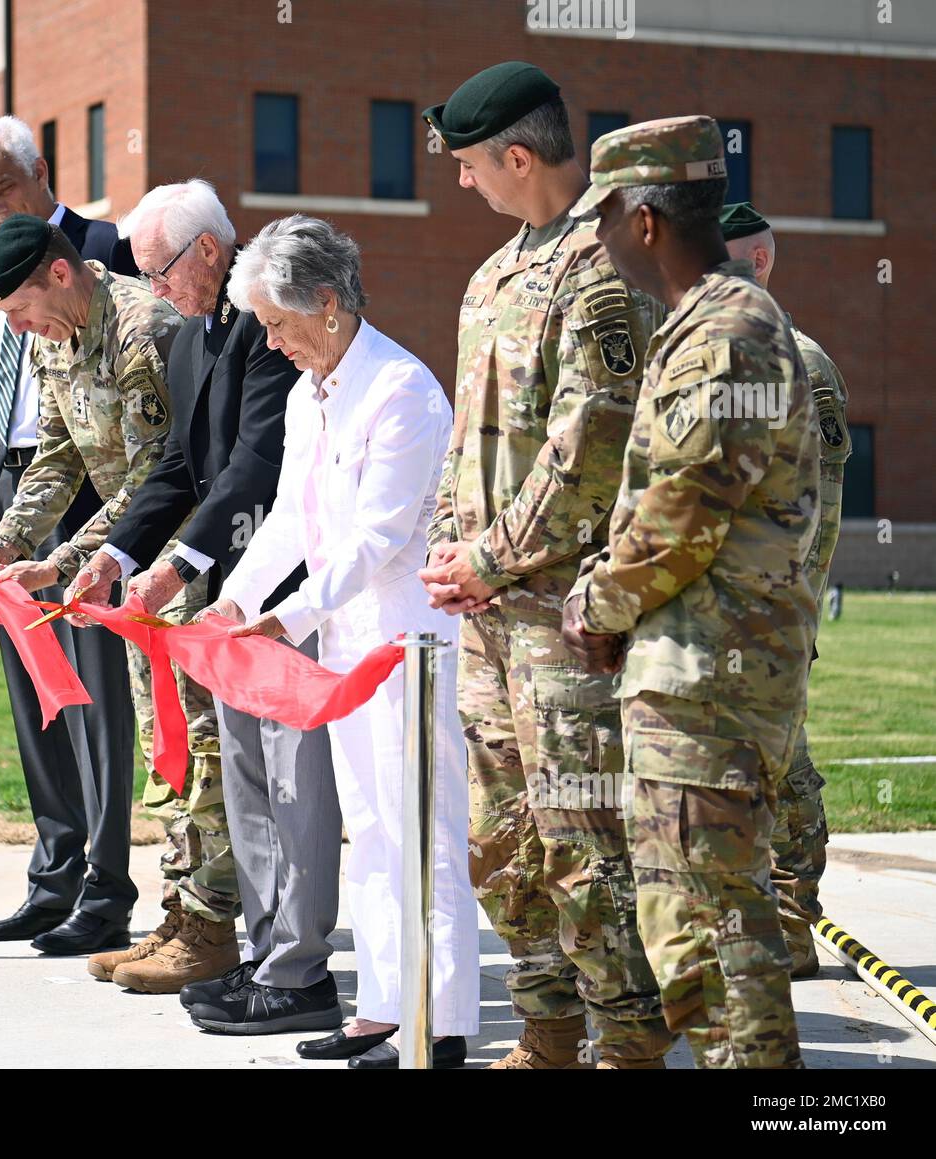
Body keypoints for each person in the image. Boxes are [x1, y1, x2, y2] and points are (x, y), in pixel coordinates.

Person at [419, 61, 670, 1068]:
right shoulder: (493, 275)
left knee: (585, 852)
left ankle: (625, 1042)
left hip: (565, 622)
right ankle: (548, 1030)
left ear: (517, 156)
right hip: (486, 619)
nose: (464, 184)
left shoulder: (606, 267)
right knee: (502, 849)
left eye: (471, 166)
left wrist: (486, 556)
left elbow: (590, 447)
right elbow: (466, 438)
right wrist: (450, 546)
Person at [562, 116, 820, 1069]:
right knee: (694, 917)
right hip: (690, 671)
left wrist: (594, 604)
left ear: (641, 218)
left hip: (714, 674)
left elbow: (683, 510)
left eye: (603, 220)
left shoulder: (729, 331)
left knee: (712, 926)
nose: (595, 241)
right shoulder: (704, 322)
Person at [212, 215, 480, 1069]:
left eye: (278, 321)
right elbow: (293, 515)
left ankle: (442, 1021)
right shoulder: (307, 392)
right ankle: (382, 1009)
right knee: (367, 829)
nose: (270, 339)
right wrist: (235, 597)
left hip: (410, 647)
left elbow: (375, 535)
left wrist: (284, 617)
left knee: (423, 832)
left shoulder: (401, 389)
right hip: (343, 649)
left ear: (326, 304)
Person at [71, 180, 339, 1019]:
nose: (154, 290)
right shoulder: (190, 338)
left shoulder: (269, 327)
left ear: (210, 252)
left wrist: (178, 567)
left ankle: (295, 965)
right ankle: (258, 954)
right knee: (244, 783)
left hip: (279, 592)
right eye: (143, 276)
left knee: (293, 793)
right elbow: (181, 471)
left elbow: (255, 464)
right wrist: (115, 554)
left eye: (159, 271)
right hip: (227, 589)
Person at [0, 214, 188, 964]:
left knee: (192, 749)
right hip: (122, 560)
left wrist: (58, 563)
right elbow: (56, 460)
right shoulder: (49, 336)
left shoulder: (142, 329)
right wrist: (5, 545)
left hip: (181, 561)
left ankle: (205, 920)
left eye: (19, 309)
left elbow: (160, 478)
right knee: (167, 745)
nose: (17, 329)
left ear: (61, 273)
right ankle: (145, 907)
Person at [0, 115, 139, 950]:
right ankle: (54, 872)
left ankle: (107, 878)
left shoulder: (113, 245)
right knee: (34, 694)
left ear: (41, 173)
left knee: (97, 691)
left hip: (101, 485)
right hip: (20, 485)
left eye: (4, 190)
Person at [721, 201, 852, 978]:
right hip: (721, 604)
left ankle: (795, 923)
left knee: (783, 761)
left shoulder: (804, 362)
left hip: (771, 609)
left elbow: (820, 516)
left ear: (759, 263)